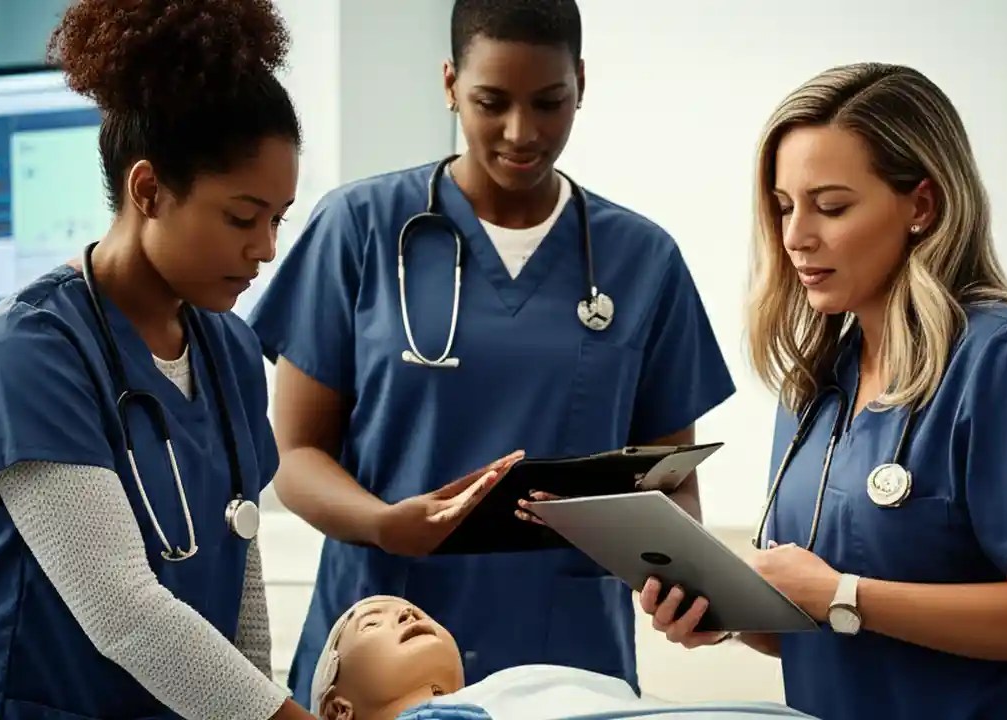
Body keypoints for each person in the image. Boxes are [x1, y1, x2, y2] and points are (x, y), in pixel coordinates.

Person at [247, 0, 735, 705]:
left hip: (568, 666)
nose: (521, 132)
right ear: (449, 84)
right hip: (380, 658)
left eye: (549, 102)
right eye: (490, 101)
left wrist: (683, 572)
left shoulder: (643, 260)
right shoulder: (358, 228)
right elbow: (294, 460)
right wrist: (384, 525)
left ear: (582, 85)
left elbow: (667, 483)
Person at [640, 62, 1007, 719]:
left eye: (831, 206)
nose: (795, 238)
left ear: (922, 206)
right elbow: (832, 629)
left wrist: (842, 592)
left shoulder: (1003, 358)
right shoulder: (814, 392)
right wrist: (726, 614)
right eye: (784, 207)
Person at [0, 1, 315, 718]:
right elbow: (125, 612)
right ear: (148, 190)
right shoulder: (27, 358)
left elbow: (241, 567)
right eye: (242, 217)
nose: (266, 248)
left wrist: (261, 697)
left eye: (278, 218)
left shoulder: (226, 345)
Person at [308, 595, 818, 720]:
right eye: (372, 623)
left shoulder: (516, 684)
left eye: (411, 610)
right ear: (337, 711)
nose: (404, 616)